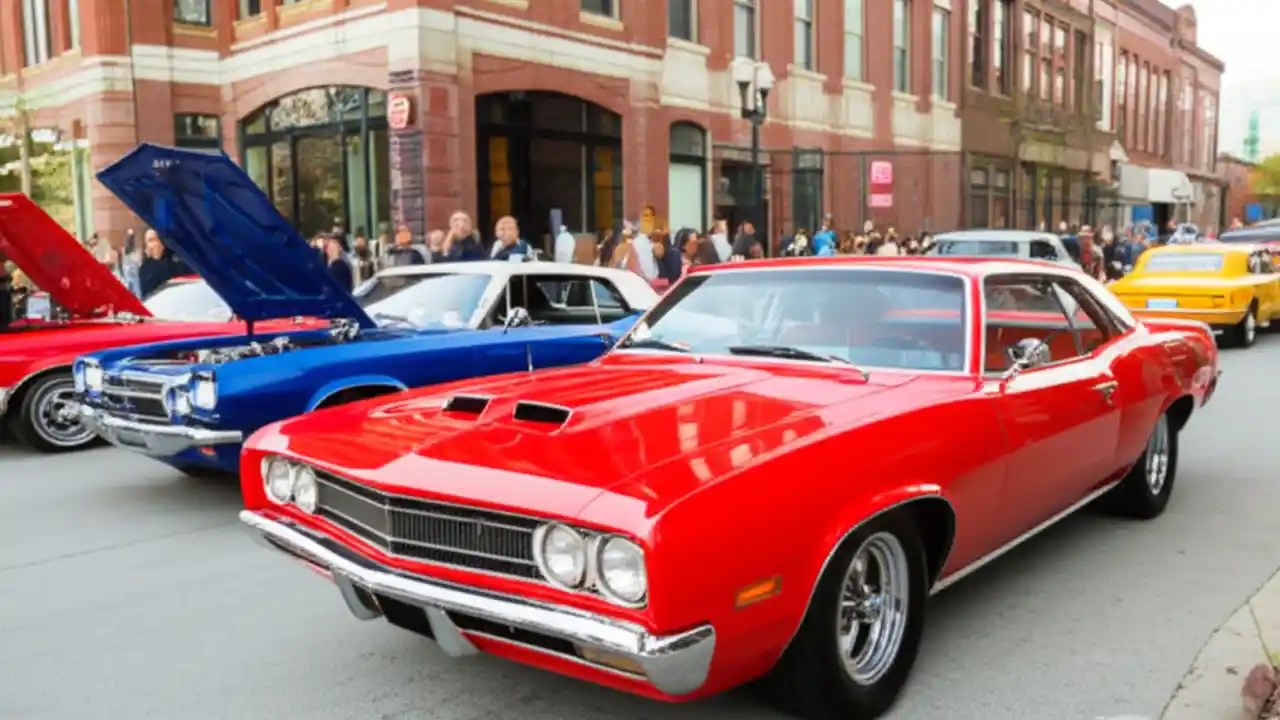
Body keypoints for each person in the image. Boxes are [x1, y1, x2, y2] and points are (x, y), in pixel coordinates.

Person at [138, 231, 175, 297]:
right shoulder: (144, 269)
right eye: (147, 241)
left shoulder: (175, 262)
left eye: (152, 240)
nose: (150, 245)